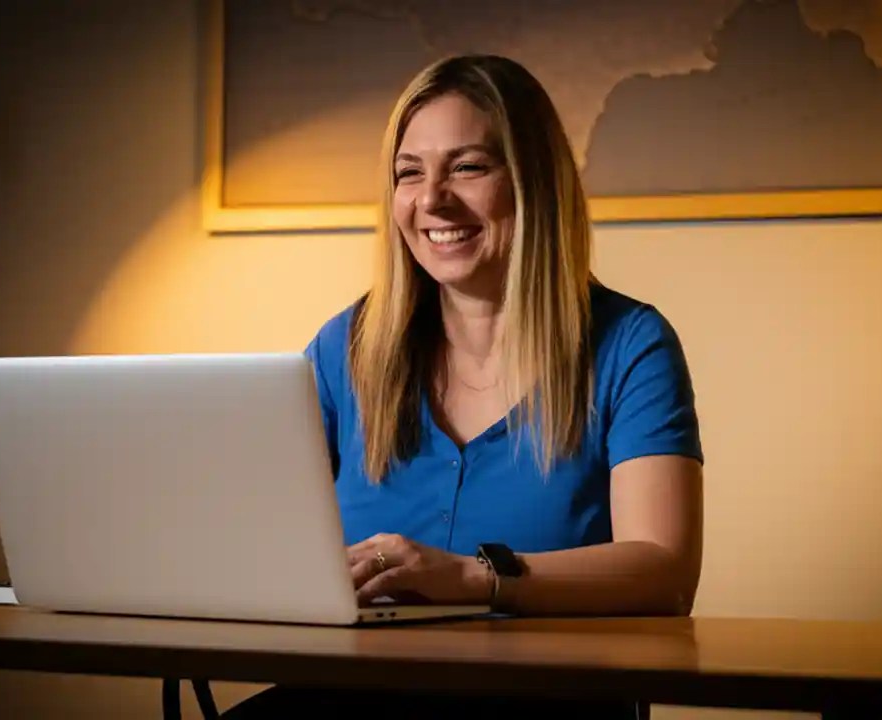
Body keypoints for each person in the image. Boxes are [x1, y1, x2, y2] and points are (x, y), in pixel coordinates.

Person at [221, 53, 704, 720]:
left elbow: (665, 572)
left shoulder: (630, 343)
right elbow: (257, 541)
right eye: (408, 173)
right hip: (352, 697)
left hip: (547, 703)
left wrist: (470, 578)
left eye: (468, 167)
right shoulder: (345, 347)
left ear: (533, 180)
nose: (431, 201)